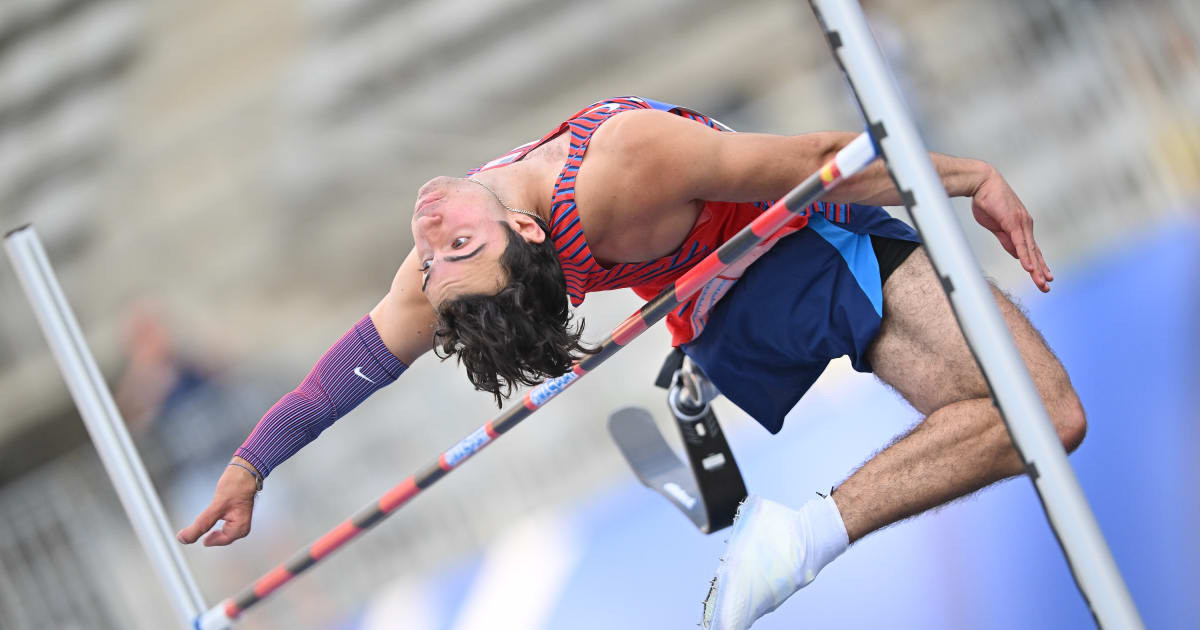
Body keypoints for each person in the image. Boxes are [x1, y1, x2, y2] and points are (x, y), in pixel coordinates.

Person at [176, 97, 1083, 629]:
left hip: (717, 316)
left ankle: (755, 509)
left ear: (530, 236)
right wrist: (970, 177)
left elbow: (350, 370)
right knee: (1043, 411)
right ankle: (789, 538)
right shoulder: (619, 166)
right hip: (796, 258)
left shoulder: (454, 271)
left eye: (442, 250)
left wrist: (252, 462)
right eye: (447, 248)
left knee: (1030, 418)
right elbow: (821, 165)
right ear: (524, 234)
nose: (426, 240)